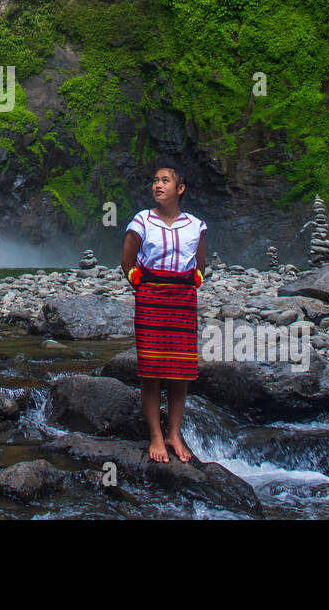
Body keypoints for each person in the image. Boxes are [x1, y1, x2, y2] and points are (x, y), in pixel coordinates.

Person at [120, 157, 207, 463]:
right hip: (151, 299)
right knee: (151, 370)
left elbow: (200, 266)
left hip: (182, 300)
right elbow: (127, 262)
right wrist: (142, 287)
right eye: (155, 181)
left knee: (180, 370)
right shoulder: (142, 220)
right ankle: (156, 436)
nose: (158, 185)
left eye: (165, 180)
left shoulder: (195, 225)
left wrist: (190, 285)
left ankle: (175, 433)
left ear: (180, 188)